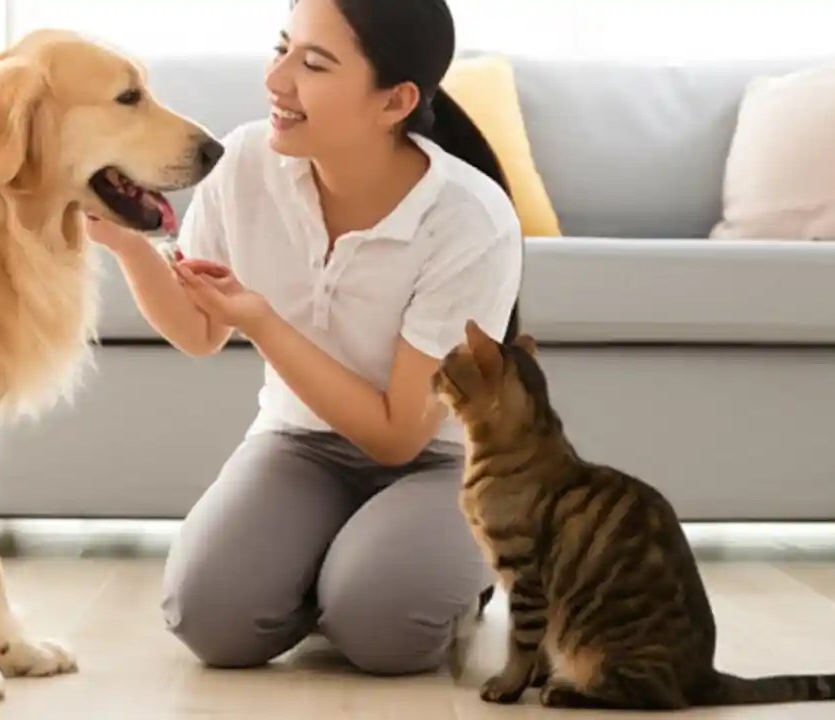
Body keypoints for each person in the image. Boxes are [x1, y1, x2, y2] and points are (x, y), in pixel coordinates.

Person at [86, 0, 523, 676]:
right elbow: (200, 330)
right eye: (281, 48)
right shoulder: (245, 164)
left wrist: (263, 320)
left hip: (443, 464)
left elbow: (398, 434)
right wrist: (127, 242)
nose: (277, 80)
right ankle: (341, 569)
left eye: (314, 63)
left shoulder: (469, 219)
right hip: (301, 444)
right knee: (212, 620)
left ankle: (423, 582)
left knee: (385, 632)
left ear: (395, 101)